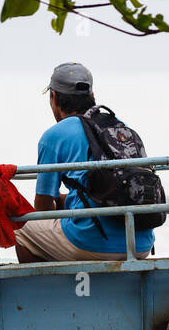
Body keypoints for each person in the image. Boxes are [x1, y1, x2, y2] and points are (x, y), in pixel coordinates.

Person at [15, 62, 155, 262]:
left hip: (92, 242)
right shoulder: (121, 127)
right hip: (141, 243)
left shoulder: (54, 135)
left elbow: (43, 208)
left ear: (53, 97)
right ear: (91, 95)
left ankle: (52, 292)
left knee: (23, 231)